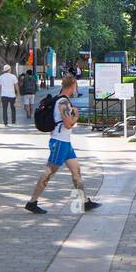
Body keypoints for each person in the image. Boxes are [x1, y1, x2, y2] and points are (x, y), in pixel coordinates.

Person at [25, 73, 100, 215]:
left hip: (65, 143)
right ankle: (32, 202)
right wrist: (76, 116)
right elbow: (68, 124)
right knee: (48, 173)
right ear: (73, 86)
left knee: (76, 171)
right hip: (60, 142)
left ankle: (84, 201)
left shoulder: (60, 99)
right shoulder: (63, 102)